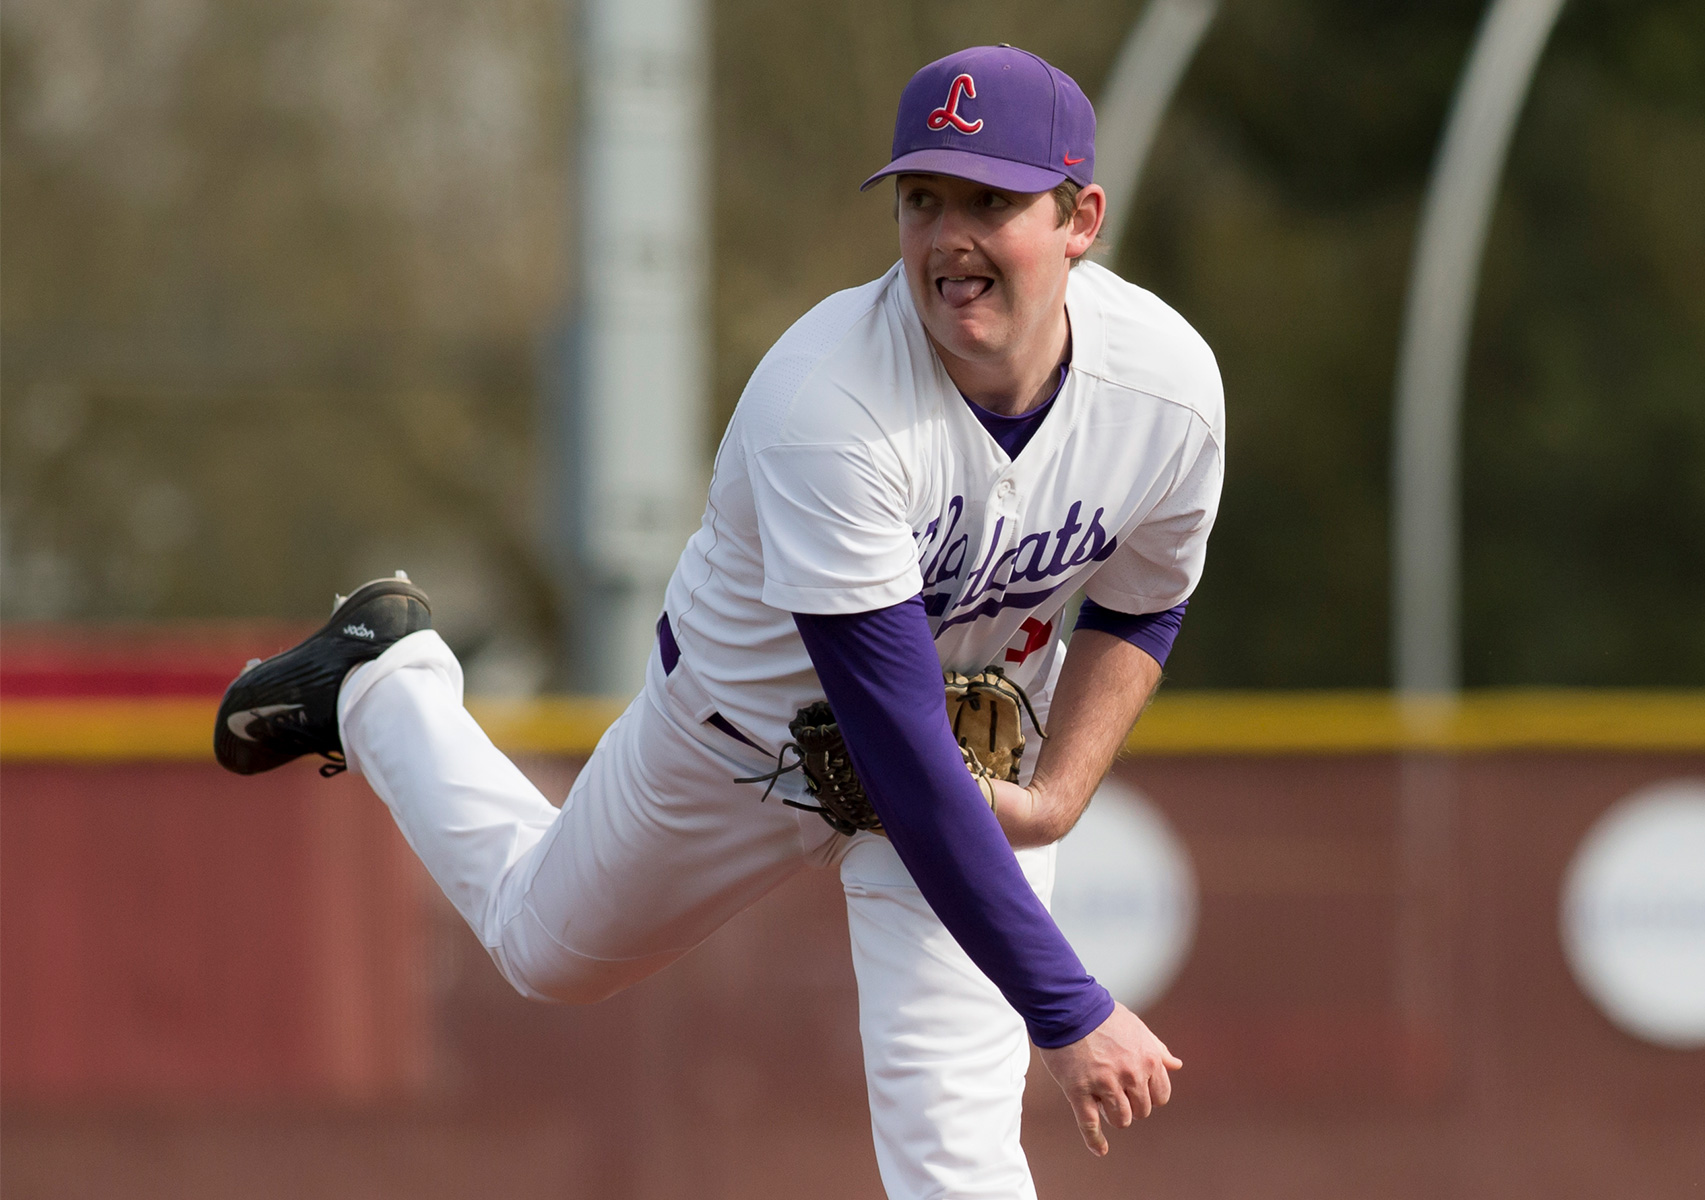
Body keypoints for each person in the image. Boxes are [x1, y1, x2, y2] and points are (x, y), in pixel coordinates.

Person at [216, 44, 1223, 1200]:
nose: (949, 237)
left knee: (957, 1151)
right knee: (546, 951)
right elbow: (896, 748)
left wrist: (1054, 801)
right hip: (736, 746)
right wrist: (1069, 1006)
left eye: (989, 202)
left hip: (966, 775)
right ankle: (382, 682)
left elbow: (1144, 600)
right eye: (922, 200)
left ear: (1080, 218)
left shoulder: (1166, 391)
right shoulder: (831, 403)